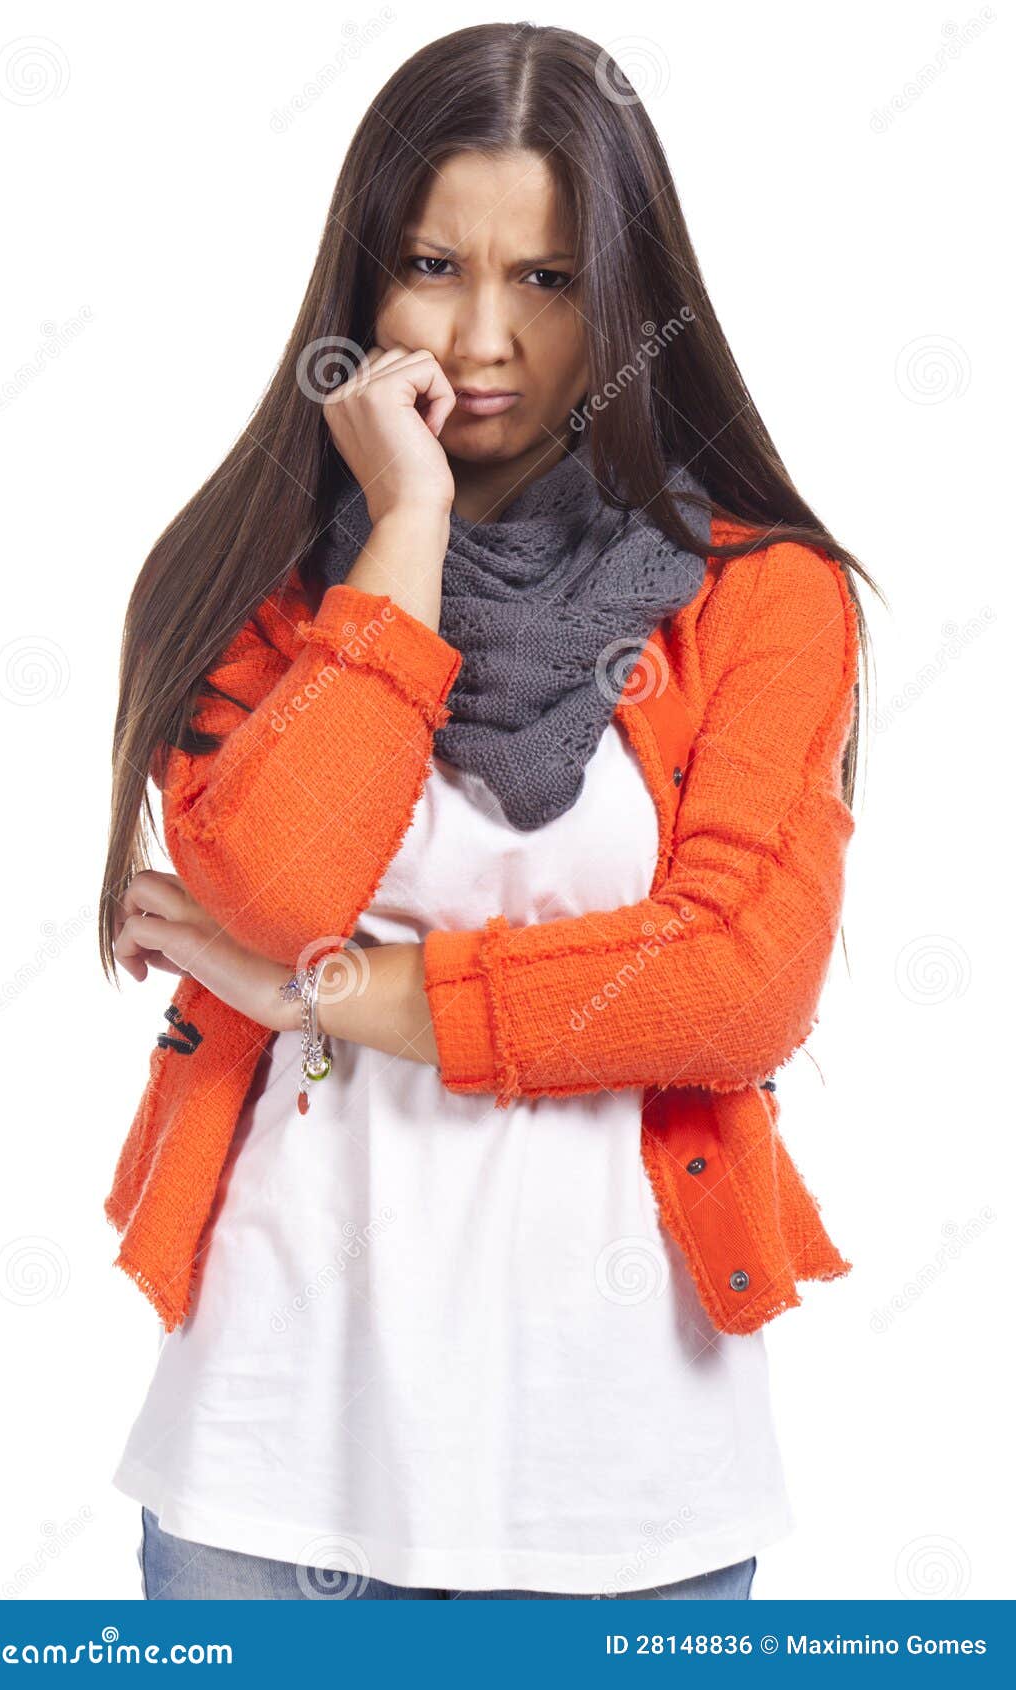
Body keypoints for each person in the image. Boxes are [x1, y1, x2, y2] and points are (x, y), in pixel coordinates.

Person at [100, 23, 880, 1602]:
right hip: (271, 1455)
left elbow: (737, 985)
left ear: (629, 298)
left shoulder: (764, 598)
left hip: (624, 1476)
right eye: (432, 264)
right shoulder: (253, 581)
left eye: (546, 279)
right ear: (359, 283)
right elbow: (279, 882)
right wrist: (404, 526)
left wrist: (335, 991)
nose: (477, 336)